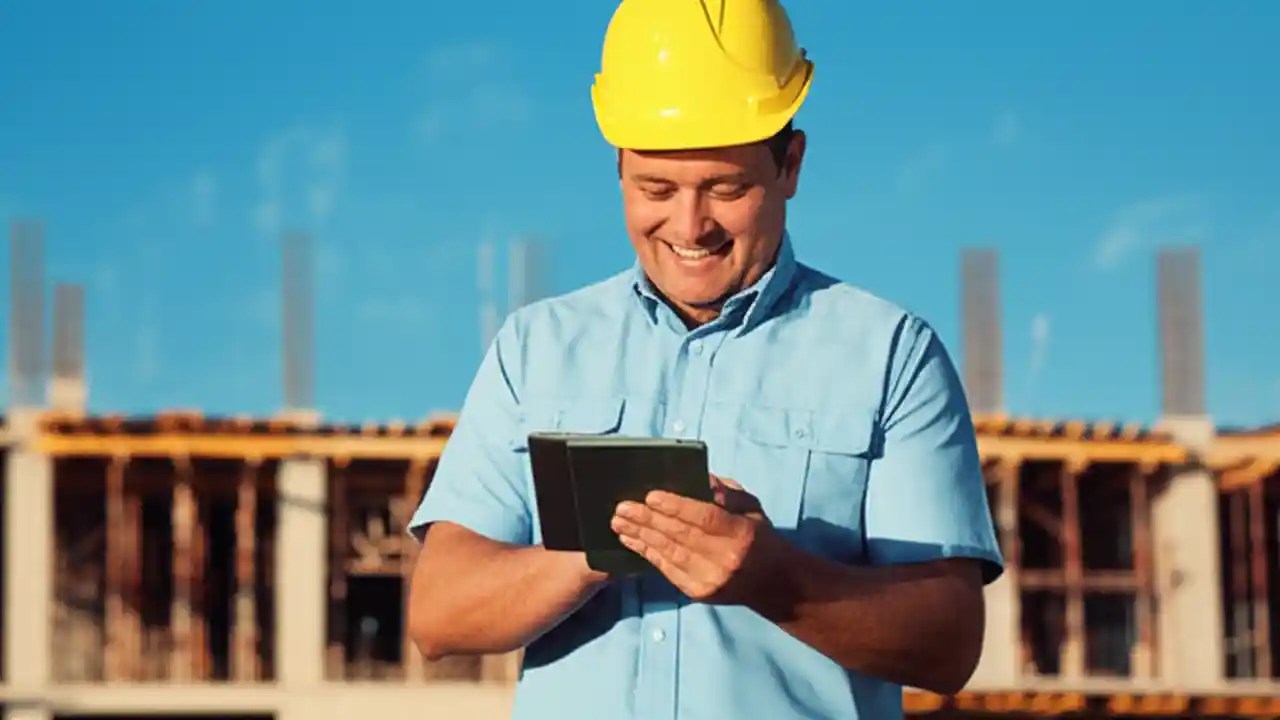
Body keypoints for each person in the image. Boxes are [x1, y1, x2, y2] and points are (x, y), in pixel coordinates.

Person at [406, 1, 1003, 718]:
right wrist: (613, 541)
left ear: (791, 164)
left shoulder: (892, 356)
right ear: (619, 168)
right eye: (656, 190)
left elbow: (949, 641)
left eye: (727, 188)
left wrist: (773, 577)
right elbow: (439, 615)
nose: (690, 227)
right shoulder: (535, 350)